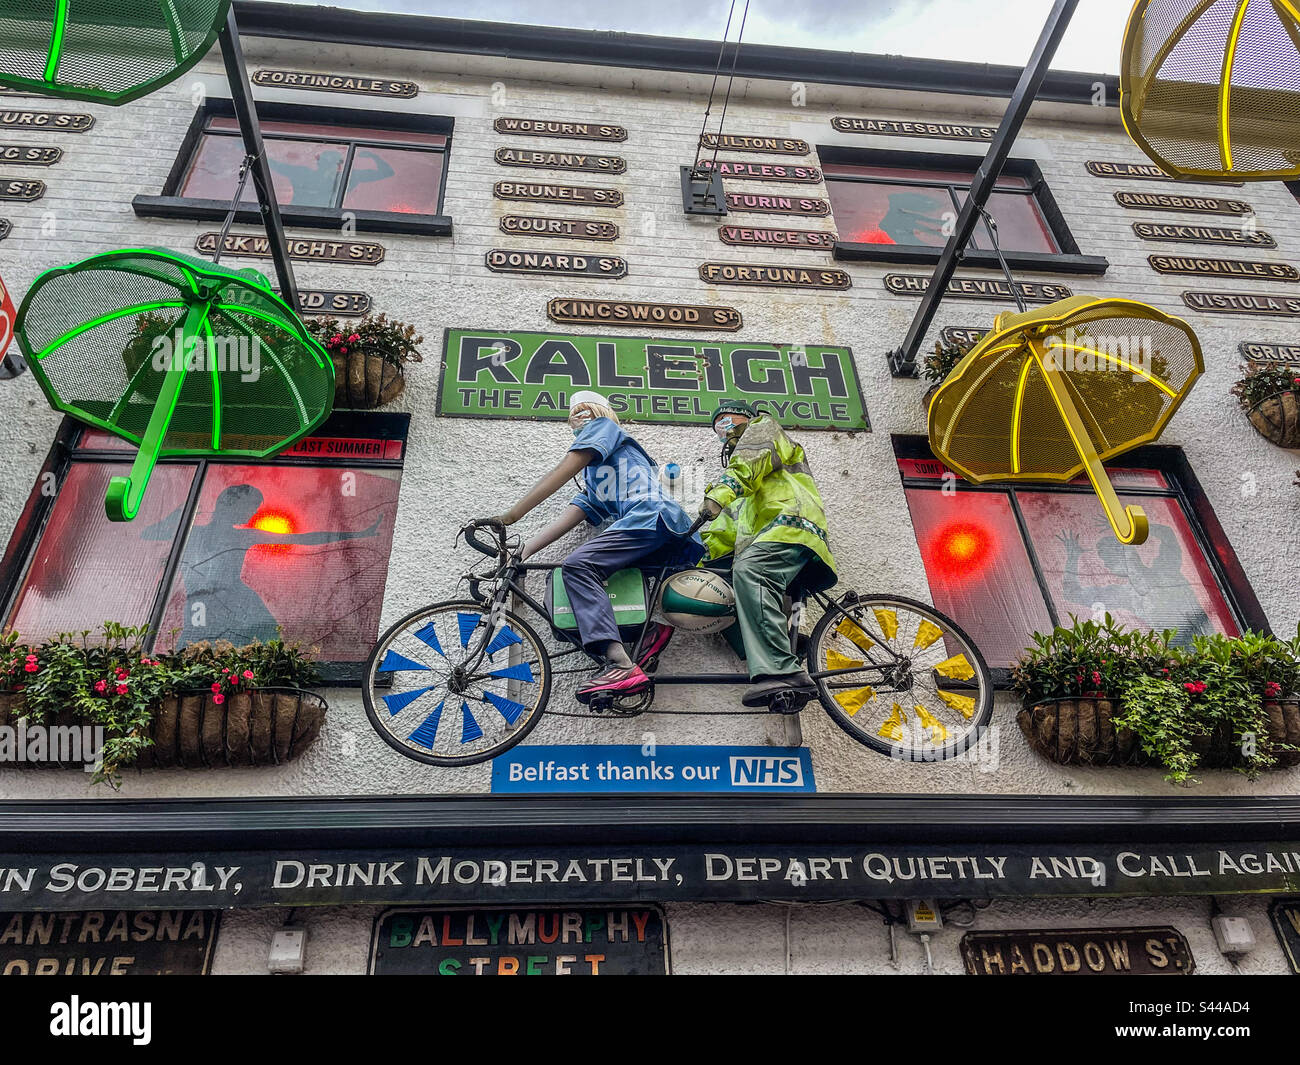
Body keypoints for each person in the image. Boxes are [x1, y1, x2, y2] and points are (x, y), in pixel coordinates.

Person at [480, 392, 703, 704]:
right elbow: (571, 515)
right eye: (573, 416)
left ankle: (620, 664)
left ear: (600, 413)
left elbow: (565, 468)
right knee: (601, 577)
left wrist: (513, 514)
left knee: (577, 567)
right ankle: (648, 635)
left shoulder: (604, 428)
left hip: (648, 516)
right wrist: (523, 551)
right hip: (655, 531)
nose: (578, 419)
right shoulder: (598, 476)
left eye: (583, 411)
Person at [698, 400, 838, 706]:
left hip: (790, 525)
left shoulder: (763, 429)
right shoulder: (741, 490)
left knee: (752, 572)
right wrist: (693, 565)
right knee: (720, 593)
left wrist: (718, 494)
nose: (724, 428)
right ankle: (785, 650)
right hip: (767, 539)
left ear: (746, 417)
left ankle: (781, 670)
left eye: (728, 419)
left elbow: (749, 462)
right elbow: (722, 533)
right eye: (718, 425)